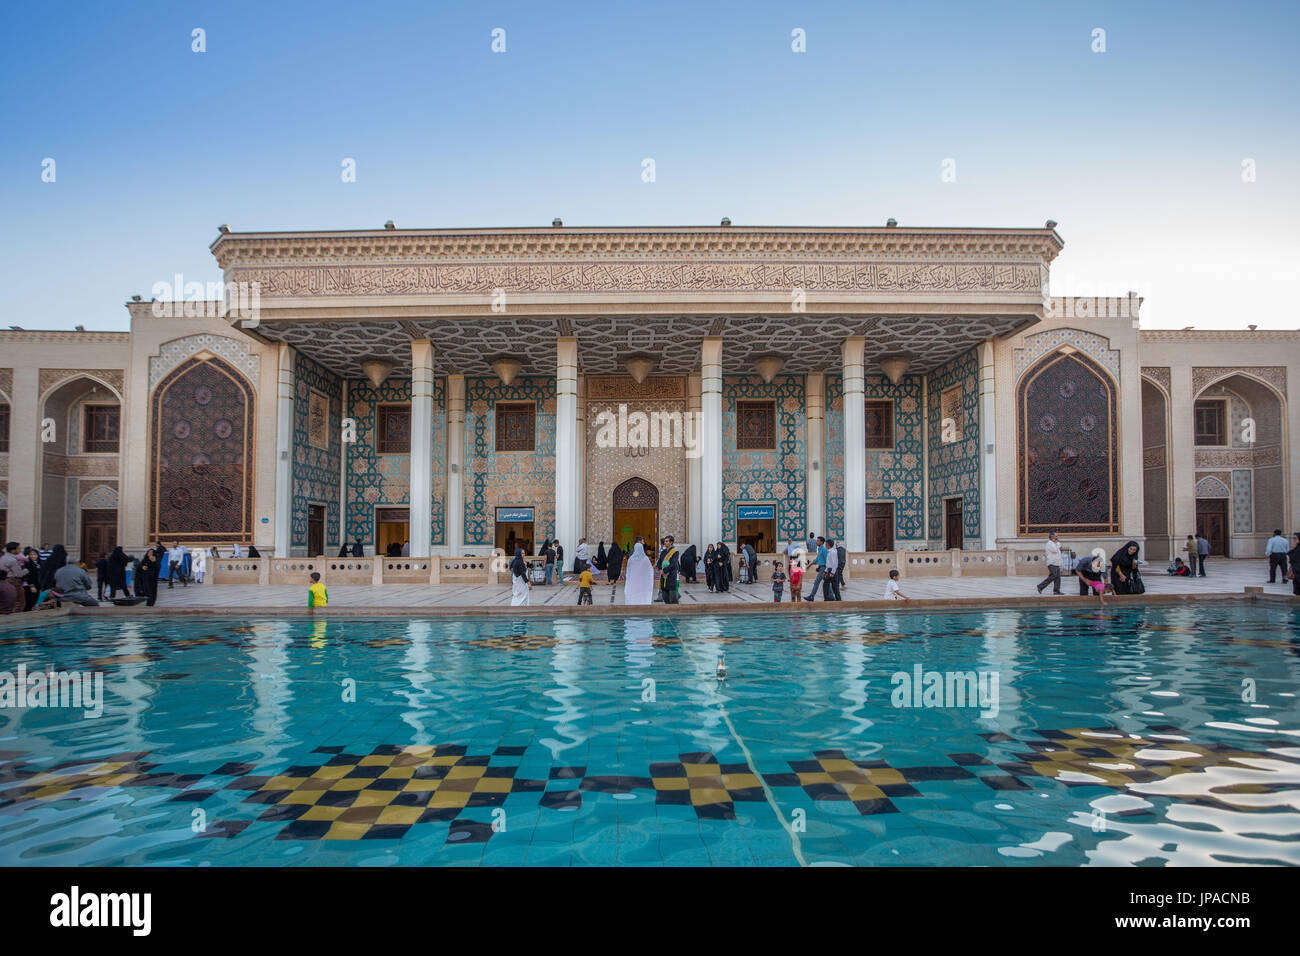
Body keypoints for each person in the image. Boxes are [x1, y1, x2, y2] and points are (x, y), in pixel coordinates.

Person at [624, 540, 654, 605]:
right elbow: (650, 571)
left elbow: (628, 572)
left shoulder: (631, 559)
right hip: (642, 581)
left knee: (634, 594)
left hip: (633, 581)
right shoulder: (645, 559)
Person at [804, 536, 827, 601]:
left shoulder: (824, 550)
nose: (816, 542)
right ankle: (831, 596)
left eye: (818, 541)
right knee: (827, 583)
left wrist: (826, 571)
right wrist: (809, 565)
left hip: (823, 568)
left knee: (817, 582)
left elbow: (827, 560)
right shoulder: (819, 549)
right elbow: (817, 559)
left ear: (822, 542)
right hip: (821, 568)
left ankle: (811, 596)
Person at [659, 536, 680, 604]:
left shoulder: (675, 552)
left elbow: (674, 564)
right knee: (664, 596)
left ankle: (675, 611)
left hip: (671, 576)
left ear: (671, 542)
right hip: (663, 577)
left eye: (667, 541)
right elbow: (659, 562)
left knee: (672, 597)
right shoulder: (663, 552)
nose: (665, 542)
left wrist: (664, 571)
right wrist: (660, 569)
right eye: (665, 541)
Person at [1286, 533, 1300, 598]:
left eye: (1295, 538)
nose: (1293, 540)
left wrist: (1292, 549)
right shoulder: (1296, 548)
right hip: (1296, 572)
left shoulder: (1297, 549)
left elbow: (1293, 558)